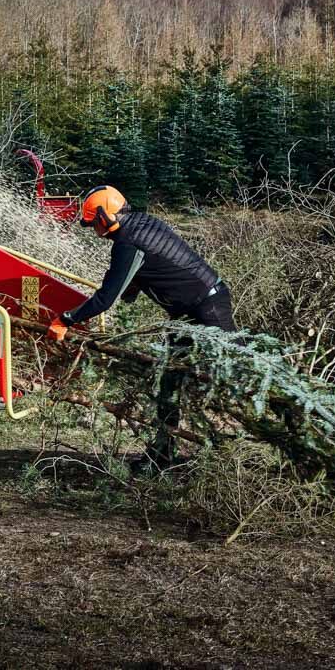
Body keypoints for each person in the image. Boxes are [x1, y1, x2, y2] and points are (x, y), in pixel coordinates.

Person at [47, 185, 237, 467]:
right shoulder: (141, 223)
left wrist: (66, 320)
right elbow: (153, 263)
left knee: (237, 370)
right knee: (169, 380)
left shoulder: (128, 242)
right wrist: (132, 287)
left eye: (94, 223)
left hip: (208, 306)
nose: (94, 230)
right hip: (185, 314)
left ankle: (252, 441)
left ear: (104, 216)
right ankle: (161, 455)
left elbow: (105, 298)